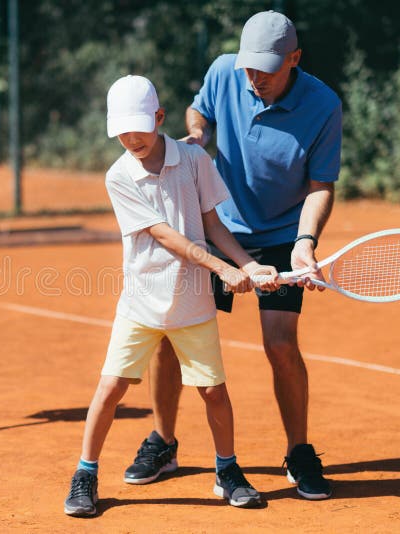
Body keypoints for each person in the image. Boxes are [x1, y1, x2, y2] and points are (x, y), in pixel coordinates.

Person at [123, 10, 342, 501]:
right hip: (218, 228)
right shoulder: (226, 70)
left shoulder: (323, 105)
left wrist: (306, 241)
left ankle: (299, 451)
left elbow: (321, 185)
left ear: (295, 59)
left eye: (265, 68)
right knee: (168, 335)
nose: (254, 78)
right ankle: (164, 439)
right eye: (249, 67)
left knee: (281, 344)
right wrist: (199, 138)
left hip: (285, 233)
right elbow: (199, 112)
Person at [63, 74, 280, 517]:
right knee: (111, 388)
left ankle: (227, 471)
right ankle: (85, 473)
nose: (130, 138)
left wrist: (249, 265)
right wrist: (222, 268)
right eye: (121, 131)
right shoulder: (119, 175)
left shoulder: (195, 160)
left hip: (192, 302)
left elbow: (214, 225)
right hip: (140, 302)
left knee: (214, 392)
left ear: (160, 118)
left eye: (139, 127)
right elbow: (166, 236)